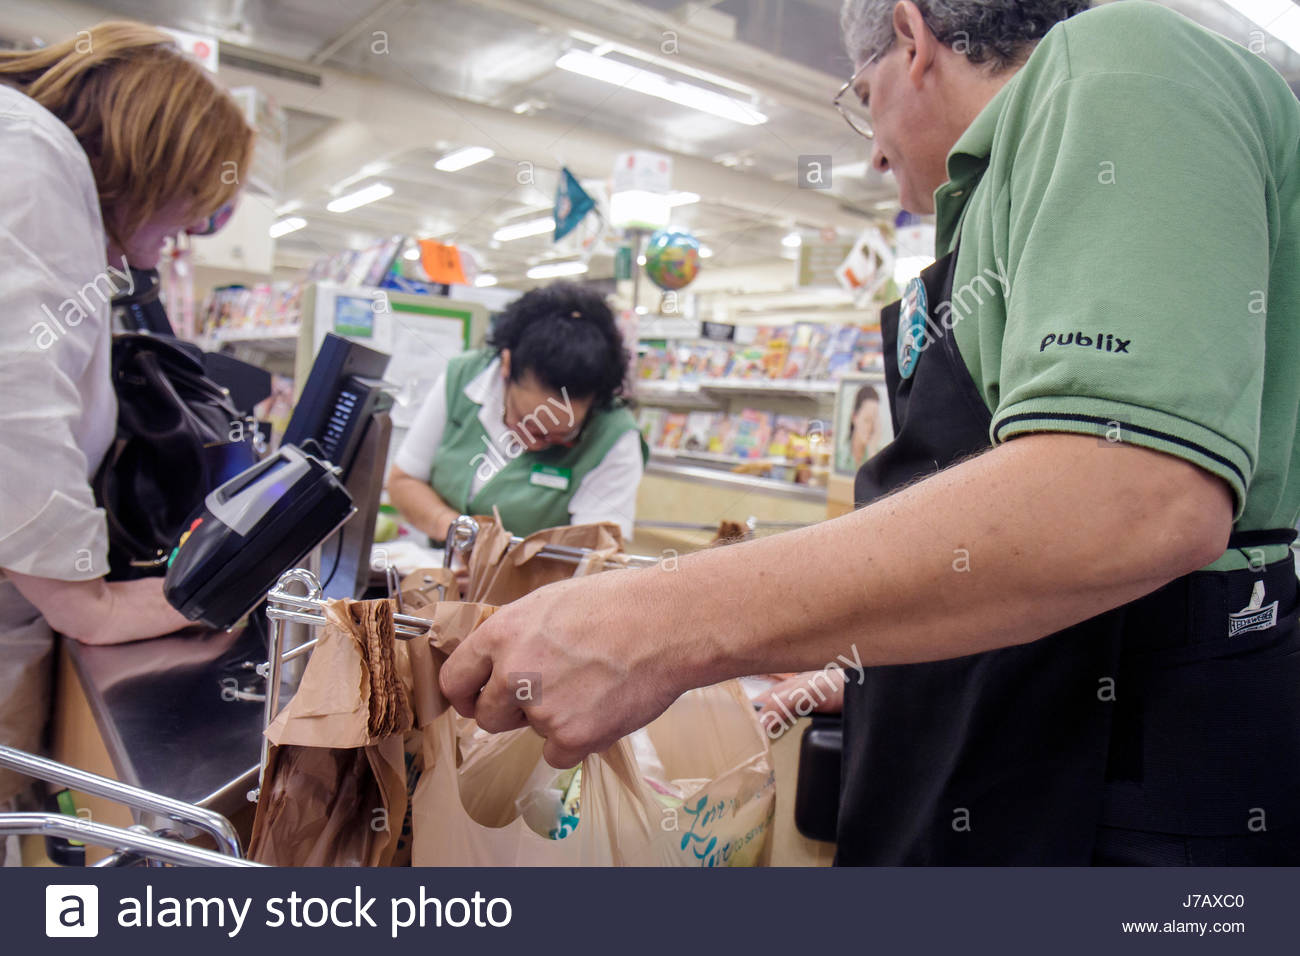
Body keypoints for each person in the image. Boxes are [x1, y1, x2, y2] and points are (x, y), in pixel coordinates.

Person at [438, 0, 1300, 866]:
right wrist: (872, 660)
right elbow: (1007, 541)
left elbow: (1125, 496)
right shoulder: (1001, 207)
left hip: (1117, 790)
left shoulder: (1127, 55)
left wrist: (653, 625)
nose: (875, 149)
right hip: (1018, 754)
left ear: (915, 39)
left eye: (861, 94)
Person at [0, 22, 253, 858]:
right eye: (198, 199)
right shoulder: (36, 165)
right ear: (157, 164)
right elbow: (15, 397)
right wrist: (92, 604)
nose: (191, 230)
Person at [388, 281, 647, 542]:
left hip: (547, 583)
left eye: (560, 436)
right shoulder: (464, 377)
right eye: (526, 424)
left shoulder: (615, 437)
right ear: (507, 365)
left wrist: (506, 570)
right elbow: (404, 482)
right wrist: (460, 536)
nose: (533, 444)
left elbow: (598, 556)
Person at [848, 384, 880, 467]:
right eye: (867, 420)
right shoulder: (841, 457)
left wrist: (872, 452)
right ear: (854, 417)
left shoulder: (877, 454)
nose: (872, 428)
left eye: (875, 420)